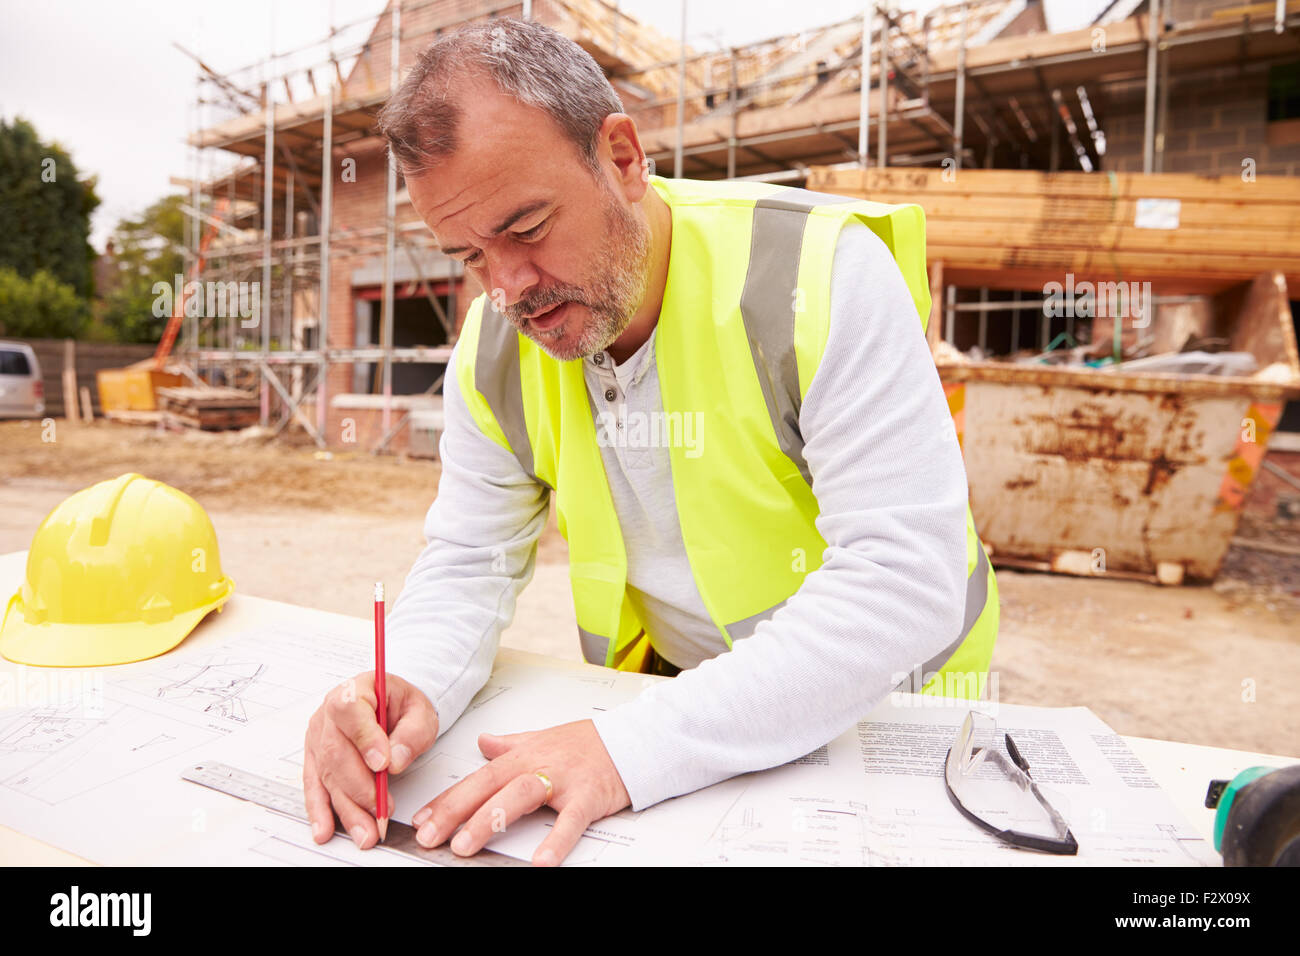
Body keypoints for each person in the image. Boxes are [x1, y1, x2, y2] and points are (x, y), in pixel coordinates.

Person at [303, 16, 998, 867]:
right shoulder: (490, 356)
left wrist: (624, 750)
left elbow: (901, 580)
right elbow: (467, 563)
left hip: (892, 704)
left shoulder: (819, 277)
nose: (508, 288)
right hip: (685, 700)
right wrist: (403, 683)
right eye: (470, 255)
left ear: (623, 158)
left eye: (526, 228)